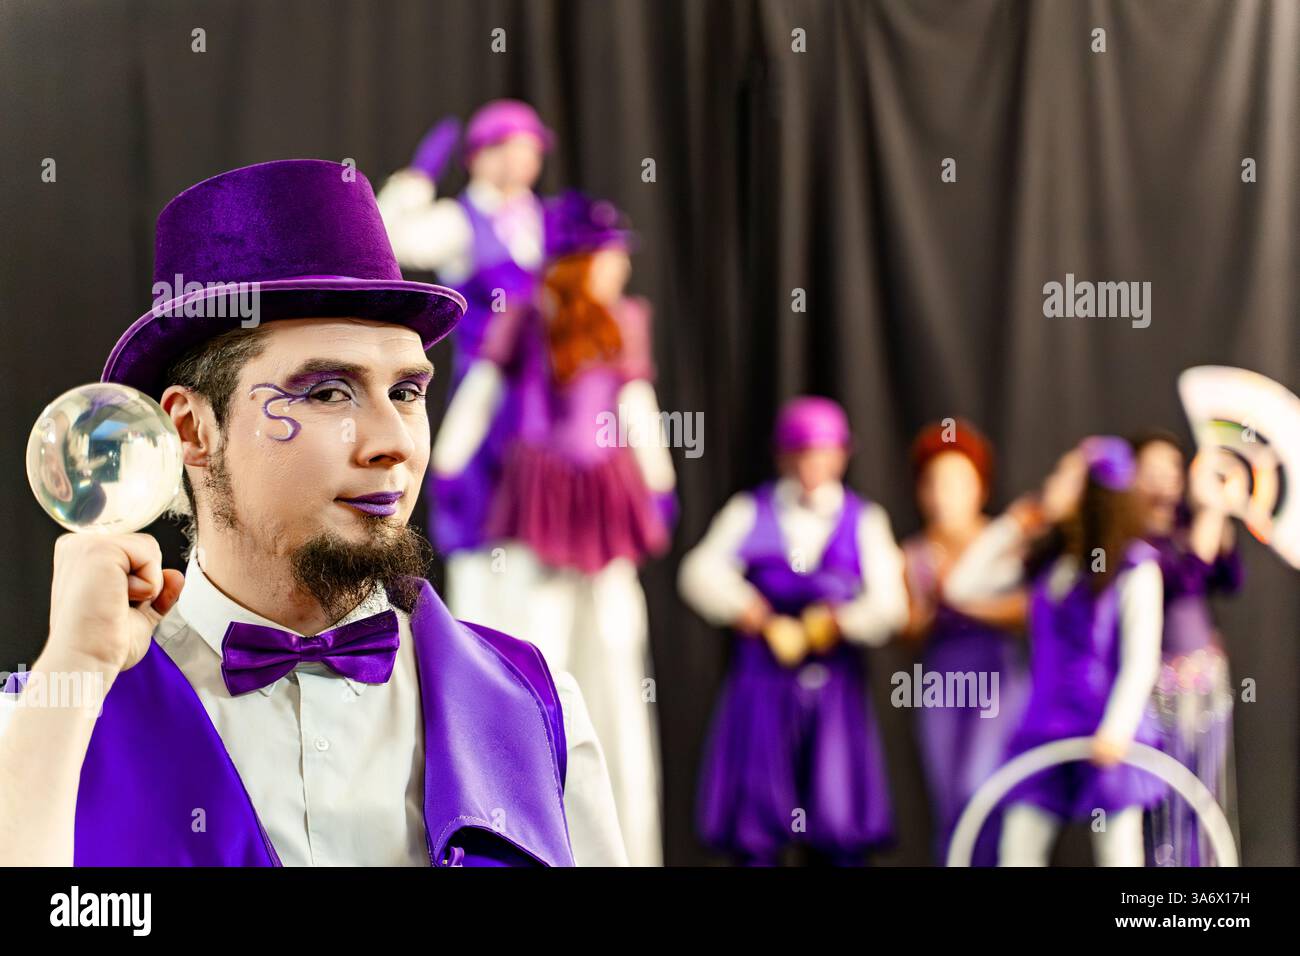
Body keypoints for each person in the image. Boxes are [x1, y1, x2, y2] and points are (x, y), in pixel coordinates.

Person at [0, 159, 626, 867]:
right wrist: (72, 673)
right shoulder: (47, 721)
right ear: (191, 430)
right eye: (328, 392)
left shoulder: (540, 709)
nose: (393, 444)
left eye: (408, 393)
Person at [431, 191, 675, 866]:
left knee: (617, 651)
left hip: (603, 494)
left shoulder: (624, 321)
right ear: (579, 262)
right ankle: (537, 830)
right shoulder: (529, 316)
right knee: (543, 648)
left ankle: (627, 843)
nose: (620, 268)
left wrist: (657, 480)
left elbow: (635, 401)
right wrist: (448, 462)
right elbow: (481, 385)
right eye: (609, 256)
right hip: (540, 495)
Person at [678, 397, 907, 866]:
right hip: (762, 687)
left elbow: (891, 607)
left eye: (823, 452)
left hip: (836, 693)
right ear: (783, 455)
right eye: (801, 452)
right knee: (756, 823)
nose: (812, 464)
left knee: (839, 822)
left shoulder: (866, 519)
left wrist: (833, 624)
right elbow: (697, 573)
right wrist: (757, 615)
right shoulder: (749, 510)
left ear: (842, 455)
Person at [945, 437, 1167, 866]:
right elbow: (960, 587)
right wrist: (1012, 525)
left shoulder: (1134, 568)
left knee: (1118, 852)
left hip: (1106, 729)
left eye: (1065, 474)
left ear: (1092, 491)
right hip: (1044, 725)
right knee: (1019, 849)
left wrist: (1116, 729)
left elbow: (1140, 659)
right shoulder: (1050, 566)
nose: (1051, 483)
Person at [376, 100, 553, 628]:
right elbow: (390, 241)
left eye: (531, 151)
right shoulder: (460, 220)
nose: (522, 163)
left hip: (543, 399)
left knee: (539, 533)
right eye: (509, 150)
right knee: (482, 521)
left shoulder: (542, 220)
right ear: (480, 156)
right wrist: (412, 184)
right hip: (485, 392)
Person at [899, 420, 1029, 866]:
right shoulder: (912, 553)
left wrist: (965, 602)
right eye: (934, 481)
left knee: (984, 786)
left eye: (956, 481)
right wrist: (930, 606)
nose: (944, 493)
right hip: (940, 681)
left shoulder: (1004, 543)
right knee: (948, 796)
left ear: (980, 487)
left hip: (996, 678)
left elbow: (1029, 611)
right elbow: (905, 630)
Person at [1130, 430, 1244, 866]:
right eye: (1152, 469)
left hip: (1207, 684)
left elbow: (1229, 578)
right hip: (1158, 691)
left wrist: (1219, 514)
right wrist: (1211, 514)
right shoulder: (1133, 541)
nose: (1164, 479)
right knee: (1166, 801)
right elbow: (1185, 578)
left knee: (1205, 794)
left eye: (1172, 468)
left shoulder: (1185, 527)